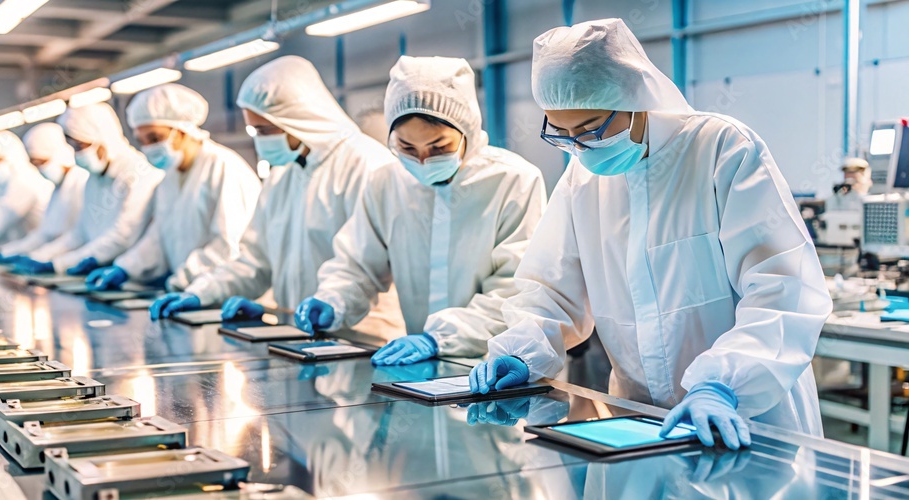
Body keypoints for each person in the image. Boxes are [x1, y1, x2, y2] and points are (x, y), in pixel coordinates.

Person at [470, 19, 831, 451]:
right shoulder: (581, 180)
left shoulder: (720, 149)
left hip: (746, 417)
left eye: (590, 129)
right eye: (562, 135)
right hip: (639, 428)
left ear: (635, 99)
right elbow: (551, 292)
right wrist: (521, 350)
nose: (580, 148)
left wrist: (724, 382)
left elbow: (782, 287)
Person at [294, 56, 546, 366]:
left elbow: (515, 291)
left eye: (439, 147)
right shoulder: (386, 182)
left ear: (466, 129)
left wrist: (440, 337)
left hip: (497, 364)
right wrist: (334, 300)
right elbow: (358, 265)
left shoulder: (513, 180)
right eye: (408, 148)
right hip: (420, 368)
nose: (424, 160)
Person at [149, 56, 402, 337]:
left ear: (299, 119)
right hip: (299, 333)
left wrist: (330, 305)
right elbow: (255, 260)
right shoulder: (283, 174)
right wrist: (202, 292)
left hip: (364, 336)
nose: (259, 140)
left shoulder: (365, 165)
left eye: (266, 131)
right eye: (254, 131)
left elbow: (365, 266)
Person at [85, 84, 262, 292]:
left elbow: (226, 246)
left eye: (155, 138)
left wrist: (181, 280)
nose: (148, 148)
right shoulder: (168, 177)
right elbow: (158, 237)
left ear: (181, 130)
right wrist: (125, 268)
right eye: (142, 141)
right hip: (188, 293)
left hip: (223, 294)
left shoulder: (223, 168)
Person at [13, 103, 164, 276]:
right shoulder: (93, 178)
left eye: (80, 146)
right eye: (73, 148)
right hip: (100, 272)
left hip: (130, 273)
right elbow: (80, 232)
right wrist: (42, 257)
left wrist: (62, 263)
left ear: (103, 139)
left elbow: (122, 235)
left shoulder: (139, 173)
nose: (77, 155)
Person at [0, 123, 88, 262]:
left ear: (59, 154)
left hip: (75, 260)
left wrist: (41, 257)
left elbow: (76, 236)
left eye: (42, 162)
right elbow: (45, 233)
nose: (40, 169)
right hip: (59, 259)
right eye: (36, 164)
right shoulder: (57, 188)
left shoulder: (81, 181)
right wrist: (12, 251)